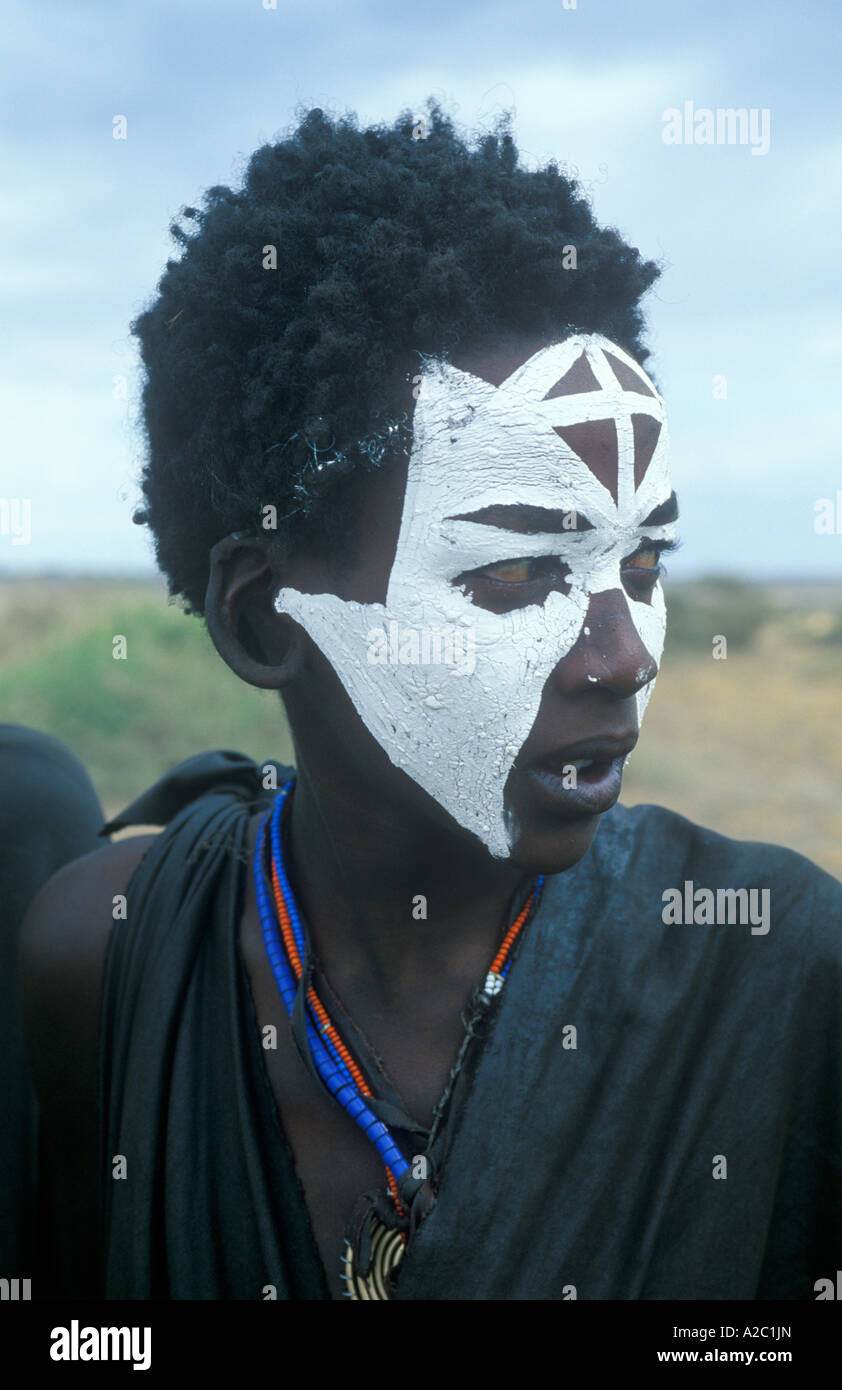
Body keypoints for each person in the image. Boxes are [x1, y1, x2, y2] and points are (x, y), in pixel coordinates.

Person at [19, 102, 842, 1301]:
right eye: (513, 574)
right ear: (262, 620)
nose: (621, 655)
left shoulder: (778, 968)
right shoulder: (112, 957)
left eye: (642, 564)